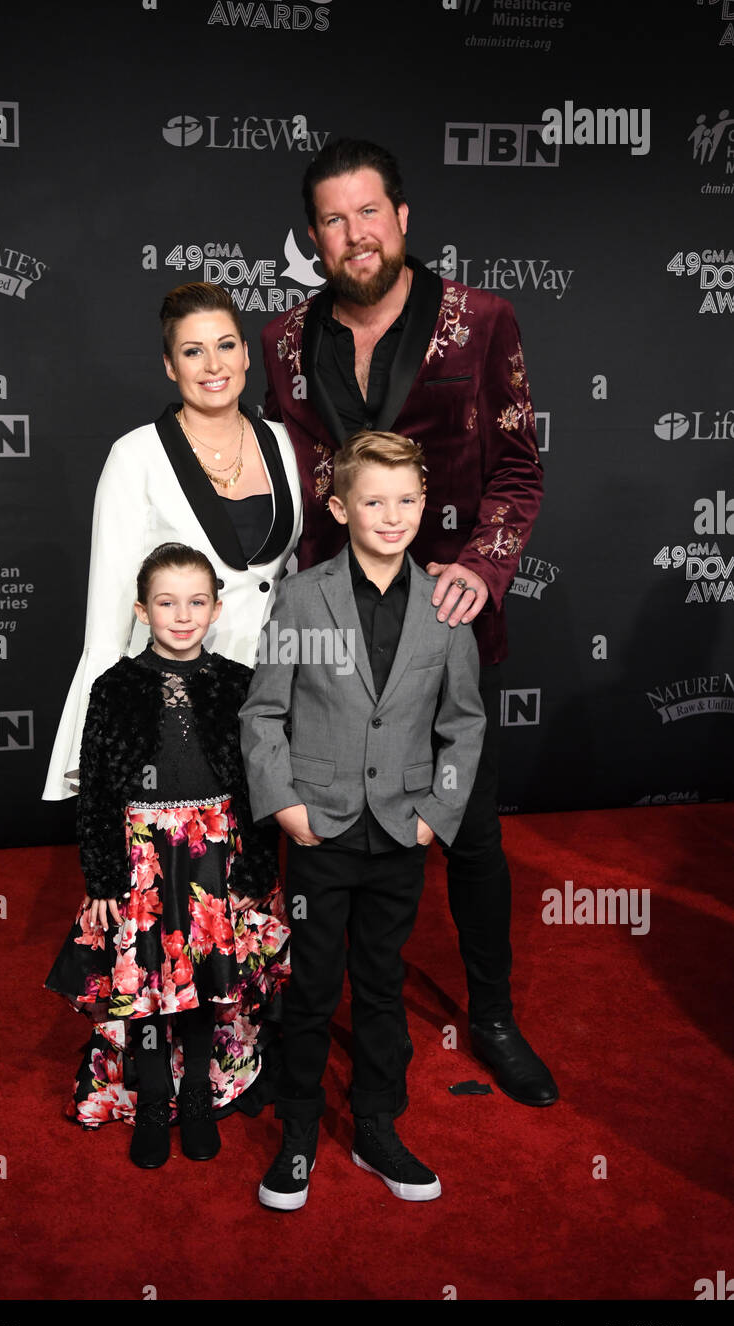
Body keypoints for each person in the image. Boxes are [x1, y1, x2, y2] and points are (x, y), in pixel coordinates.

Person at [261, 137, 557, 1108]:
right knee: (317, 836)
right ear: (313, 236)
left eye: (368, 213)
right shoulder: (279, 340)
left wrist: (480, 567)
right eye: (333, 219)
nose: (354, 234)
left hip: (442, 632)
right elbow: (295, 489)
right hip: (323, 636)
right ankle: (300, 1014)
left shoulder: (480, 321)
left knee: (467, 833)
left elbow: (517, 467)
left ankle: (494, 1015)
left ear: (401, 217)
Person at [240, 431, 486, 1209]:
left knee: (381, 984)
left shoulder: (447, 605)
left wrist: (435, 814)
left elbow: (465, 723)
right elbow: (264, 709)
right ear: (341, 506)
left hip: (400, 834)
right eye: (373, 501)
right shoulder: (305, 595)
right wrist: (284, 803)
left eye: (406, 500)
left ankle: (378, 1123)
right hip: (320, 831)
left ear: (423, 504)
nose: (392, 515)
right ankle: (301, 1129)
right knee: (312, 985)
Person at [45, 543, 289, 1167]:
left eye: (196, 602)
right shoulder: (115, 688)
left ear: (215, 608)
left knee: (209, 985)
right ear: (141, 609)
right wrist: (102, 878)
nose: (182, 615)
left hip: (215, 860)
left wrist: (256, 869)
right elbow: (96, 791)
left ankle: (200, 1099)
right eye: (166, 602)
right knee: (149, 989)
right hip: (144, 866)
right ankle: (154, 1101)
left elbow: (258, 785)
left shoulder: (237, 683)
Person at [43, 281, 303, 802]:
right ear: (169, 365)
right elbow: (110, 608)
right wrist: (103, 742)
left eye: (226, 345)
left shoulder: (285, 441)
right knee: (178, 863)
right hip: (172, 697)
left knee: (252, 863)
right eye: (192, 351)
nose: (213, 365)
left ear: (247, 354)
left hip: (271, 693)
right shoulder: (133, 457)